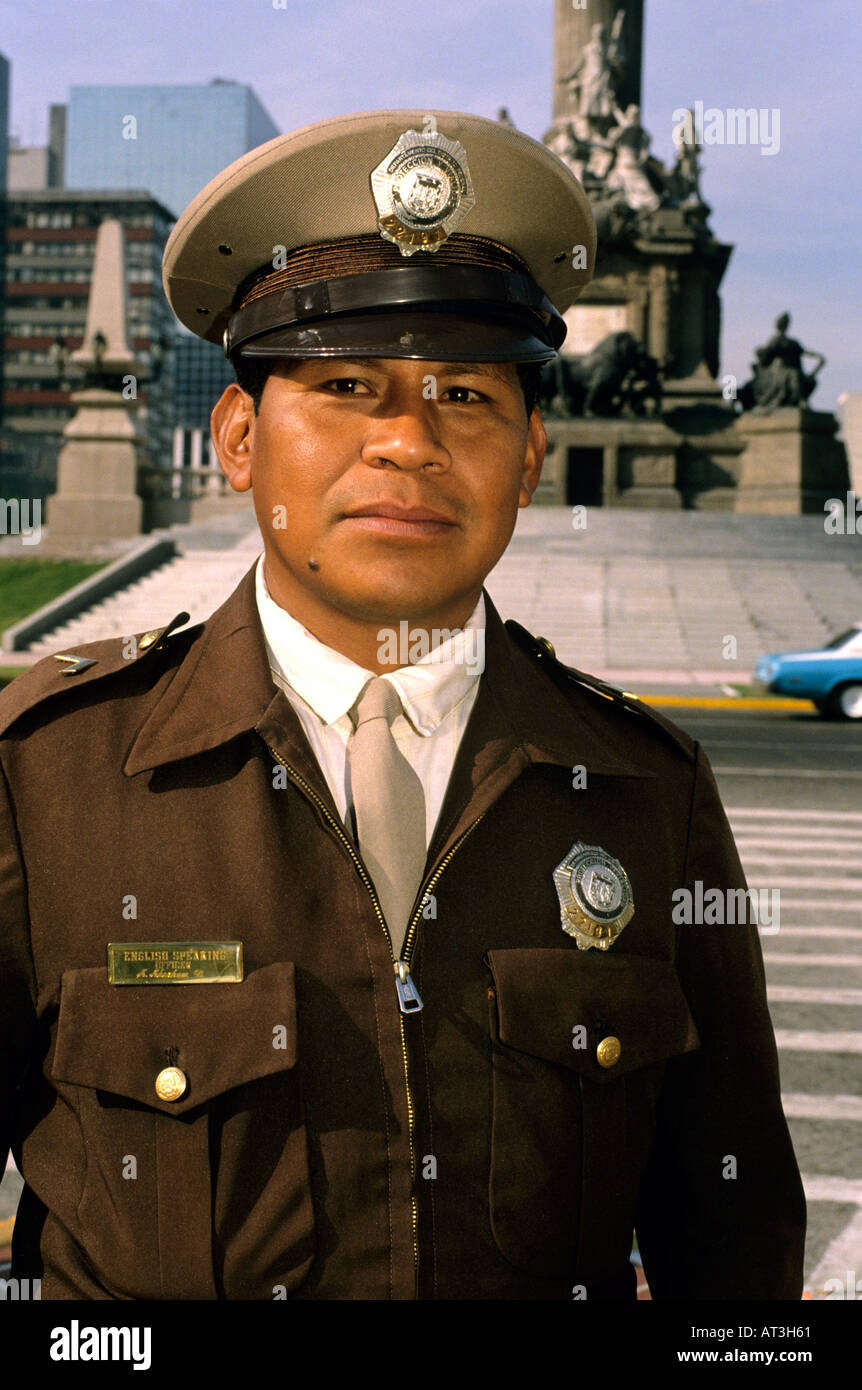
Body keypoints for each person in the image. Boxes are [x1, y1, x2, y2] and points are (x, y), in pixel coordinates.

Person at [0, 109, 804, 1300]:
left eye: (464, 396)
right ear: (237, 437)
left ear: (531, 456)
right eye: (344, 385)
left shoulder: (645, 789)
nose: (406, 441)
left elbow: (728, 1236)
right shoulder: (49, 773)